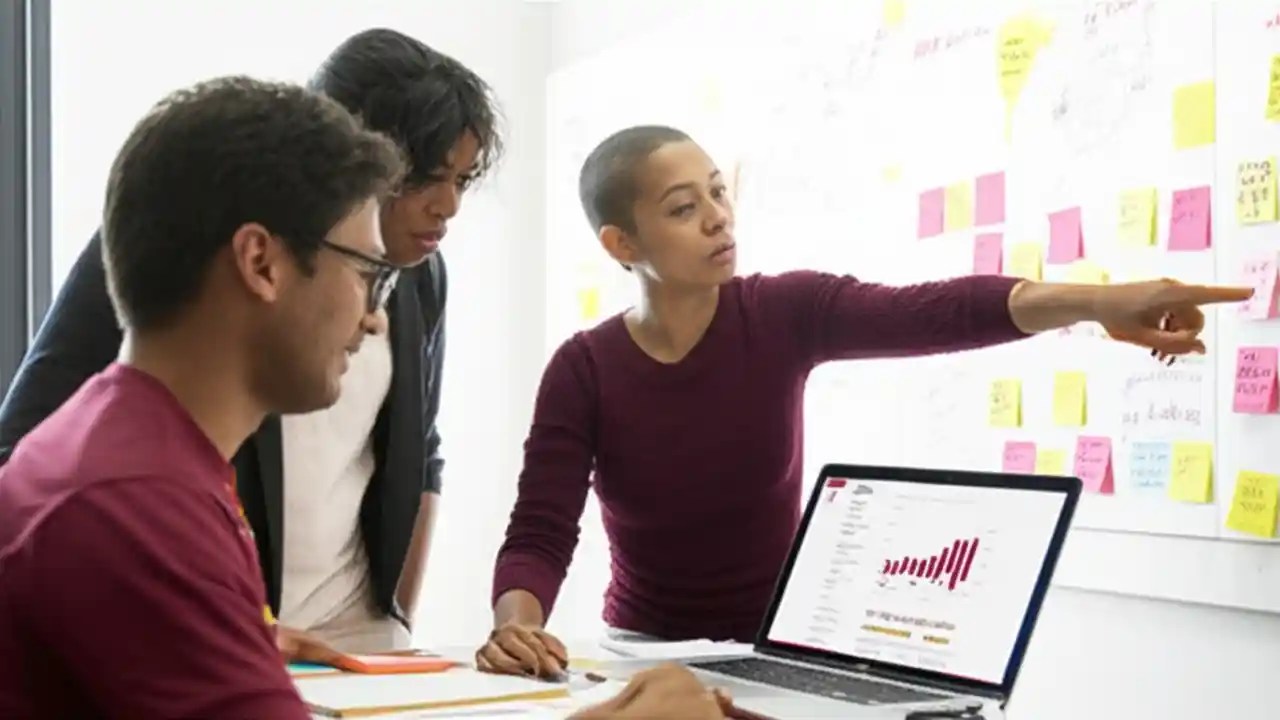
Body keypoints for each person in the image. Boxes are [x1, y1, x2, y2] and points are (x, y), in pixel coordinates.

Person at [476, 124, 1254, 677]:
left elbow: (937, 310)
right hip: (646, 657)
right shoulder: (584, 368)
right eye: (683, 208)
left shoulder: (782, 312)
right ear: (622, 244)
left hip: (780, 654)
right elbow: (541, 531)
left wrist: (1099, 301)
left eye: (718, 191)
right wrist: (517, 631)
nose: (718, 216)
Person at [0, 27, 502, 654]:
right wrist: (228, 619)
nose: (449, 205)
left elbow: (419, 452)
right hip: (227, 622)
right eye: (429, 176)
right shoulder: (191, 249)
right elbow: (23, 440)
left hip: (357, 640)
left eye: (464, 178)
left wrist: (397, 618)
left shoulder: (424, 278)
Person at [0, 74, 406, 718]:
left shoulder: (117, 447)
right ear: (260, 262)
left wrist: (229, 639)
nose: (376, 318)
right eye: (365, 273)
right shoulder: (136, 504)